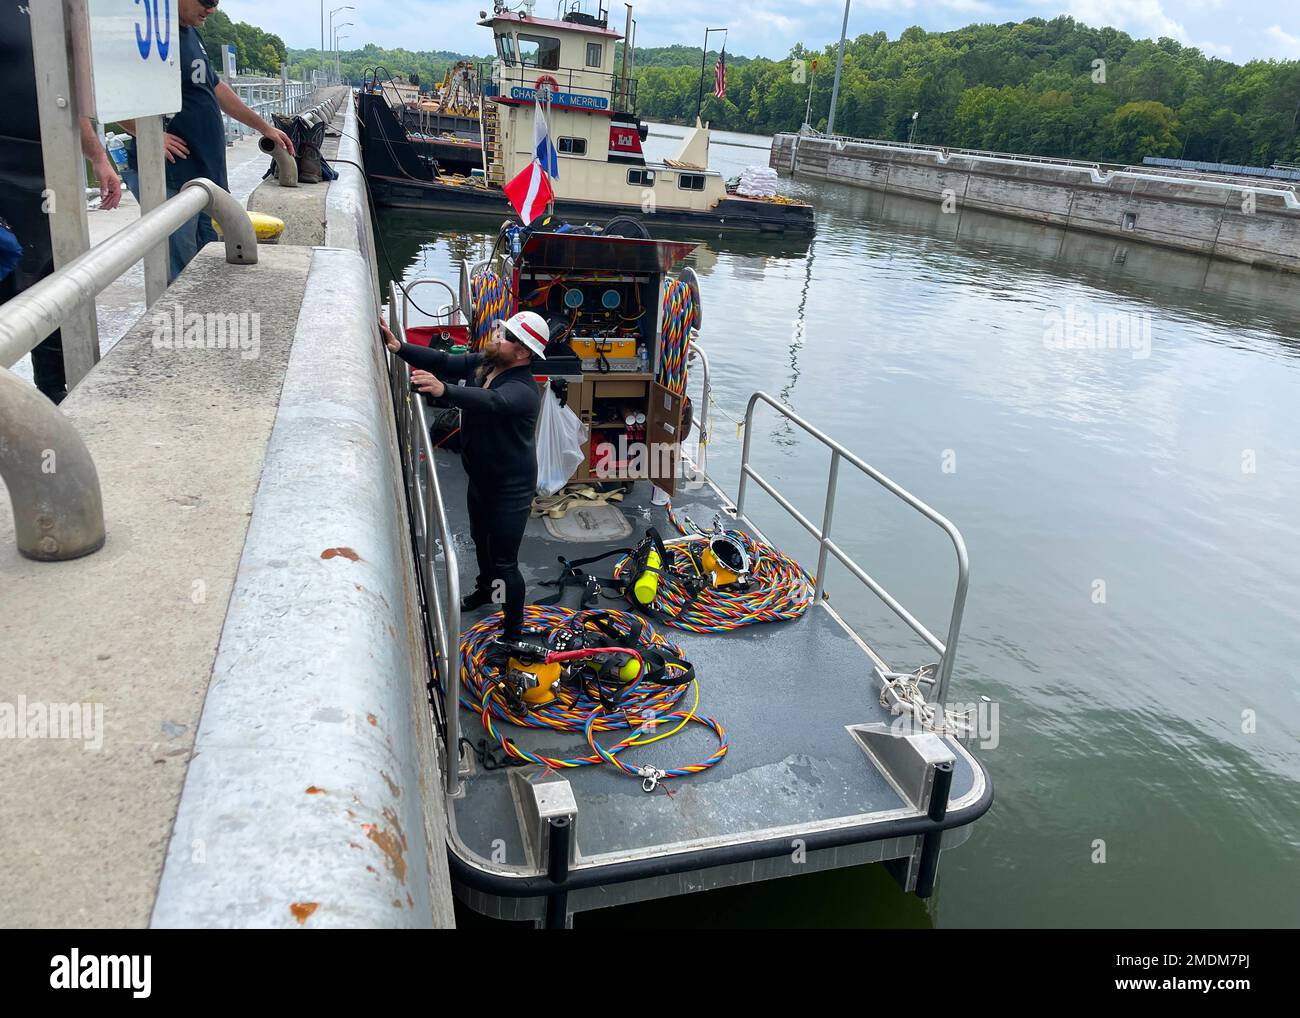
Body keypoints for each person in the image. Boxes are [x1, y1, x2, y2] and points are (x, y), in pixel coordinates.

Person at [379, 312, 550, 641]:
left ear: (523, 353)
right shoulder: (486, 364)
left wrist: (444, 391)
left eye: (508, 335)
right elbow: (444, 360)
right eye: (503, 329)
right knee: (480, 542)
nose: (498, 334)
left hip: (509, 490)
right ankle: (486, 591)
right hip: (481, 479)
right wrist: (400, 348)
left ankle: (512, 631)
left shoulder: (523, 390)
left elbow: (491, 401)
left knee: (504, 562)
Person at [118, 0, 294, 282]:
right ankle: (181, 323)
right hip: (173, 176)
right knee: (180, 268)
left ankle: (204, 322)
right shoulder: (148, 35)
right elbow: (109, 94)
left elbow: (215, 88)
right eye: (206, 1)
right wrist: (150, 136)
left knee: (209, 259)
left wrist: (264, 127)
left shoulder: (189, 32)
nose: (211, 9)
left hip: (205, 173)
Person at [0, 3, 122, 404]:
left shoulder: (49, 10)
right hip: (5, 167)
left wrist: (99, 158)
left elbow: (63, 96)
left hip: (53, 166)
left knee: (53, 287)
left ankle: (57, 396)